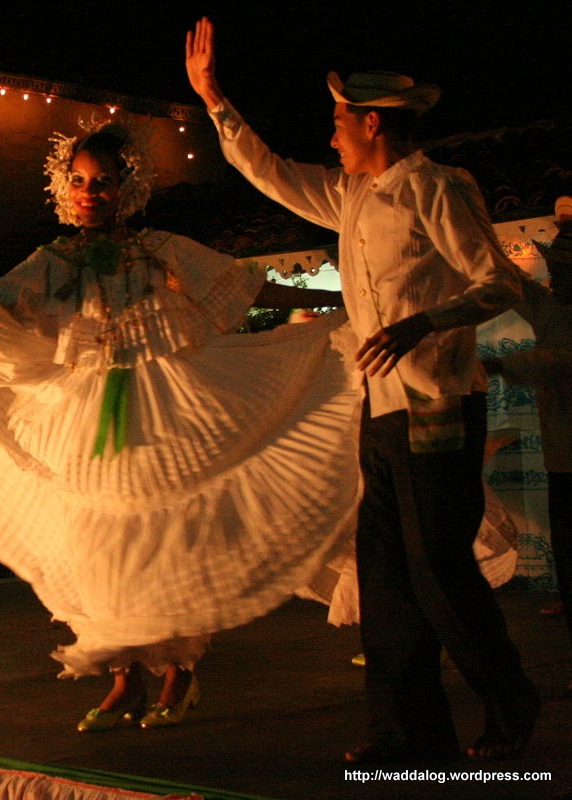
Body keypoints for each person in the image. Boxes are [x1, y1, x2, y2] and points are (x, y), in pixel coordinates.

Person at [0, 117, 365, 732]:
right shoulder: (47, 262)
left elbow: (245, 291)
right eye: (78, 181)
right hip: (76, 419)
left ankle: (178, 671)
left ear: (127, 187)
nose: (88, 193)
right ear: (62, 186)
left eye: (102, 182)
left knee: (161, 542)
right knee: (95, 544)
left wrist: (342, 304)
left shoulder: (160, 250)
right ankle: (123, 674)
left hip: (164, 413)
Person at [186, 17, 539, 762]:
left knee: (438, 574)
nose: (332, 137)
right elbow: (269, 170)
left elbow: (497, 281)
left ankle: (509, 705)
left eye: (339, 122)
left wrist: (419, 326)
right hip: (379, 416)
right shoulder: (351, 196)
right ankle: (404, 741)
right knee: (384, 584)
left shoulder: (437, 188)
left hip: (435, 406)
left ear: (372, 122)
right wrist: (213, 97)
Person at [482, 195, 572, 697]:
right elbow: (510, 285)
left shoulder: (557, 314)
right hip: (562, 457)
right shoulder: (552, 304)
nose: (557, 273)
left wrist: (501, 366)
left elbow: (558, 360)